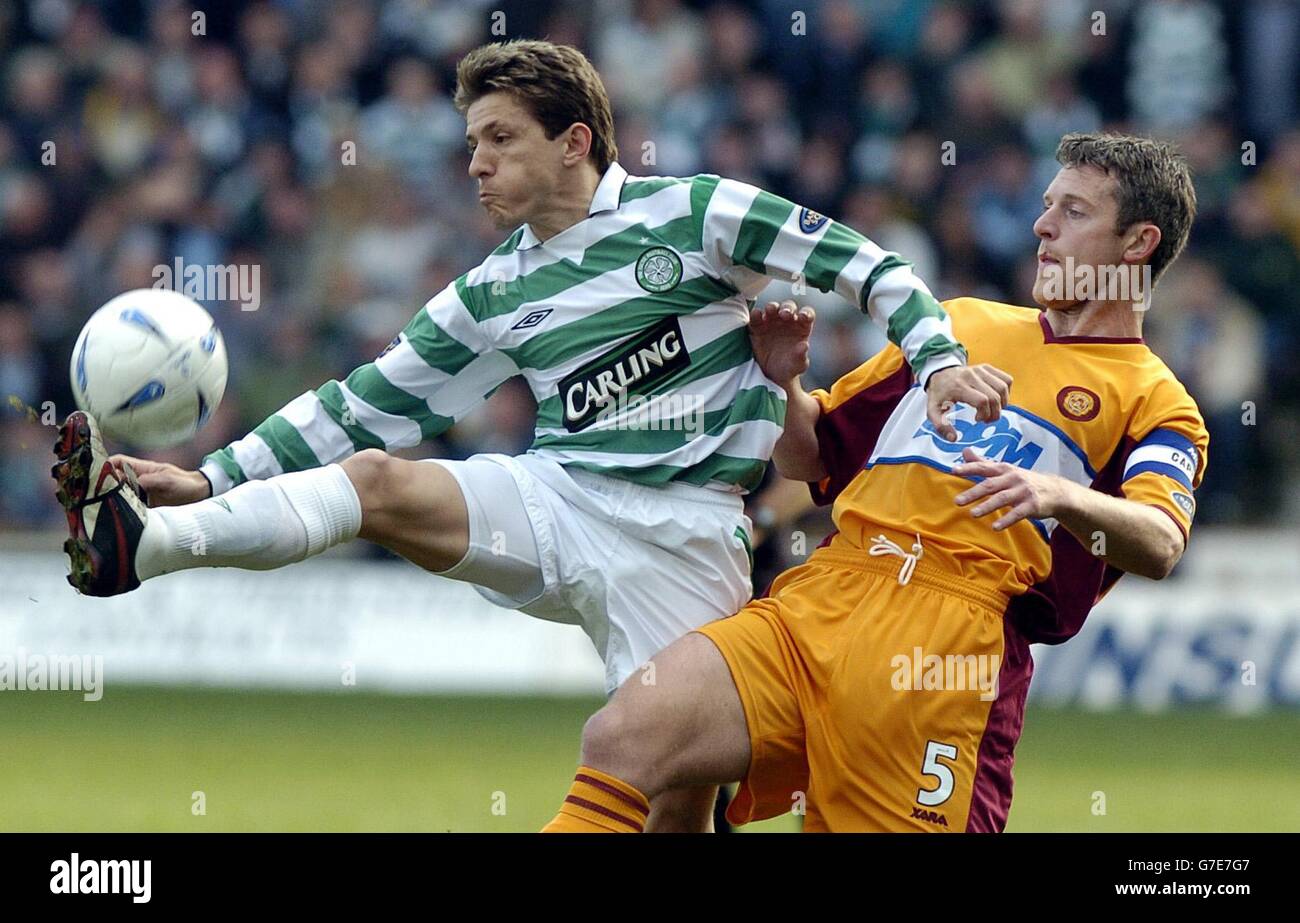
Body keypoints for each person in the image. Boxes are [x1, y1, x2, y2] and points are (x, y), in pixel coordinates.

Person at [51, 40, 1005, 832]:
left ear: (574, 141)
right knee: (379, 478)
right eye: (472, 142)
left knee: (676, 808)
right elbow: (357, 404)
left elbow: (867, 265)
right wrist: (208, 479)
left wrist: (937, 358)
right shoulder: (491, 289)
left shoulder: (697, 211)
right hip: (558, 500)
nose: (475, 162)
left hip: (687, 536)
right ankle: (145, 543)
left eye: (500, 138)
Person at [541, 132, 1208, 833]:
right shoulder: (958, 325)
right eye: (1047, 206)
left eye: (1073, 212)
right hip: (827, 594)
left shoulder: (1156, 401)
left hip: (947, 649)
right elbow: (813, 455)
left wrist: (1059, 494)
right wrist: (784, 382)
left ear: (1138, 243)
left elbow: (1161, 543)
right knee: (625, 738)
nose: (1042, 226)